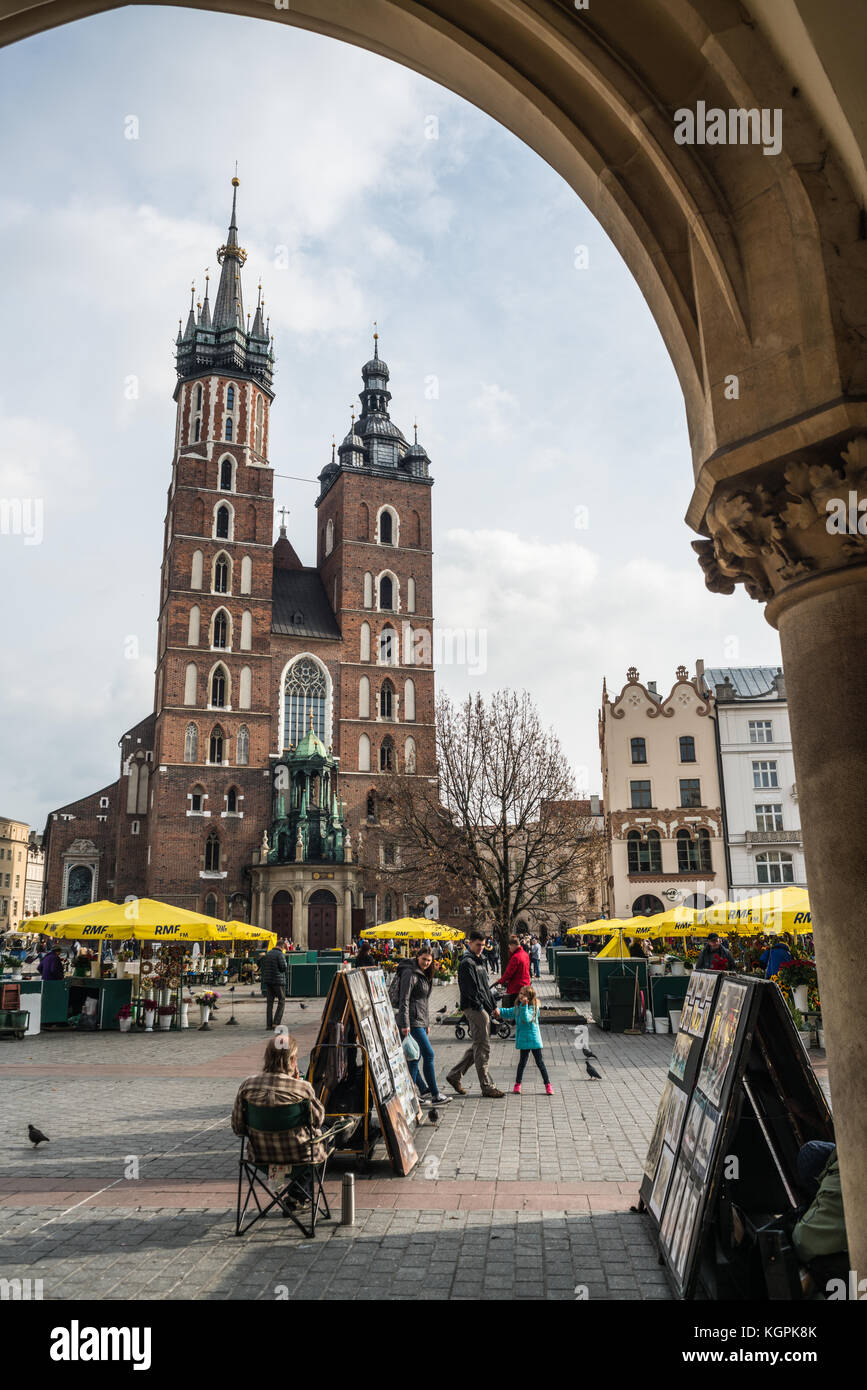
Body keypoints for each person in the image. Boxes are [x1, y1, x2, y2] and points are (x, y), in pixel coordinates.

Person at [231, 1036, 335, 1205]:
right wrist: (298, 1082)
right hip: (300, 1156)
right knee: (328, 1135)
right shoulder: (302, 1088)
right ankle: (300, 1196)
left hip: (260, 1156)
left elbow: (238, 1127)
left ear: (267, 1057)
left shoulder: (247, 1086)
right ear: (293, 1060)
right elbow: (318, 1120)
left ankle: (297, 1194)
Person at [446, 929, 505, 1098]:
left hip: (482, 1006)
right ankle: (487, 1086)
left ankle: (454, 1075)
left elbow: (485, 987)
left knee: (478, 1045)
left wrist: (493, 1005)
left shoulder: (480, 960)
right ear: (469, 942)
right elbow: (471, 991)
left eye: (483, 945)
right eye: (478, 945)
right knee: (483, 1047)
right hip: (474, 1007)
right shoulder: (466, 963)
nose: (481, 948)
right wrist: (483, 1007)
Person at [396, 948, 451, 1106]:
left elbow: (424, 1002)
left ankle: (415, 1093)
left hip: (419, 1020)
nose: (426, 963)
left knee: (415, 1057)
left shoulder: (423, 973)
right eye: (424, 959)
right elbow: (404, 999)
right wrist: (405, 1024)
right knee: (428, 1054)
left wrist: (426, 1023)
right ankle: (434, 1094)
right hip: (411, 1021)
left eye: (429, 960)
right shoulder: (410, 972)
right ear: (417, 957)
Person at [498, 985, 553, 1095]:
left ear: (529, 997)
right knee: (522, 1063)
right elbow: (509, 1012)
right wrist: (499, 1011)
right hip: (524, 1040)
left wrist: (524, 1006)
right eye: (520, 993)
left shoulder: (534, 1008)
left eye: (523, 994)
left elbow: (526, 1018)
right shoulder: (519, 1007)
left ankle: (548, 1085)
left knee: (540, 1063)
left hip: (533, 1039)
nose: (520, 995)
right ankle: (517, 1085)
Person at [260, 939, 289, 1029]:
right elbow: (284, 967)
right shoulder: (280, 954)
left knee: (270, 1003)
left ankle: (268, 1024)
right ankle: (276, 1022)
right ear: (281, 946)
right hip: (278, 981)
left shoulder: (268, 953)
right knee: (281, 1001)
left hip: (269, 981)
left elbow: (264, 966)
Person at [496, 933, 531, 1006]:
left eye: (509, 947)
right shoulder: (525, 954)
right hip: (525, 985)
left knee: (515, 1008)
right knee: (523, 1007)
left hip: (516, 987)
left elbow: (509, 973)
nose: (509, 949)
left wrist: (500, 981)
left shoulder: (515, 957)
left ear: (513, 945)